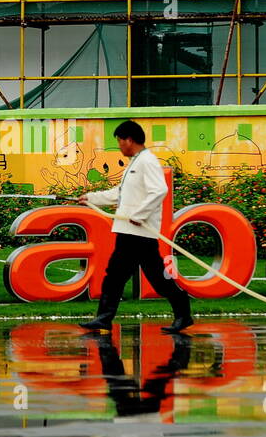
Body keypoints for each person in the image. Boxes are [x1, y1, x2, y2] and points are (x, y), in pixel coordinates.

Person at [78, 120, 193, 333]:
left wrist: (139, 215)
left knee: (142, 277)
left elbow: (159, 190)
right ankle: (104, 318)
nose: (120, 146)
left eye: (120, 141)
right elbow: (119, 194)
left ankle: (182, 313)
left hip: (138, 232)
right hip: (128, 231)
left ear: (129, 140)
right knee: (119, 275)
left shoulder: (146, 161)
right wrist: (91, 198)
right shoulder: (135, 162)